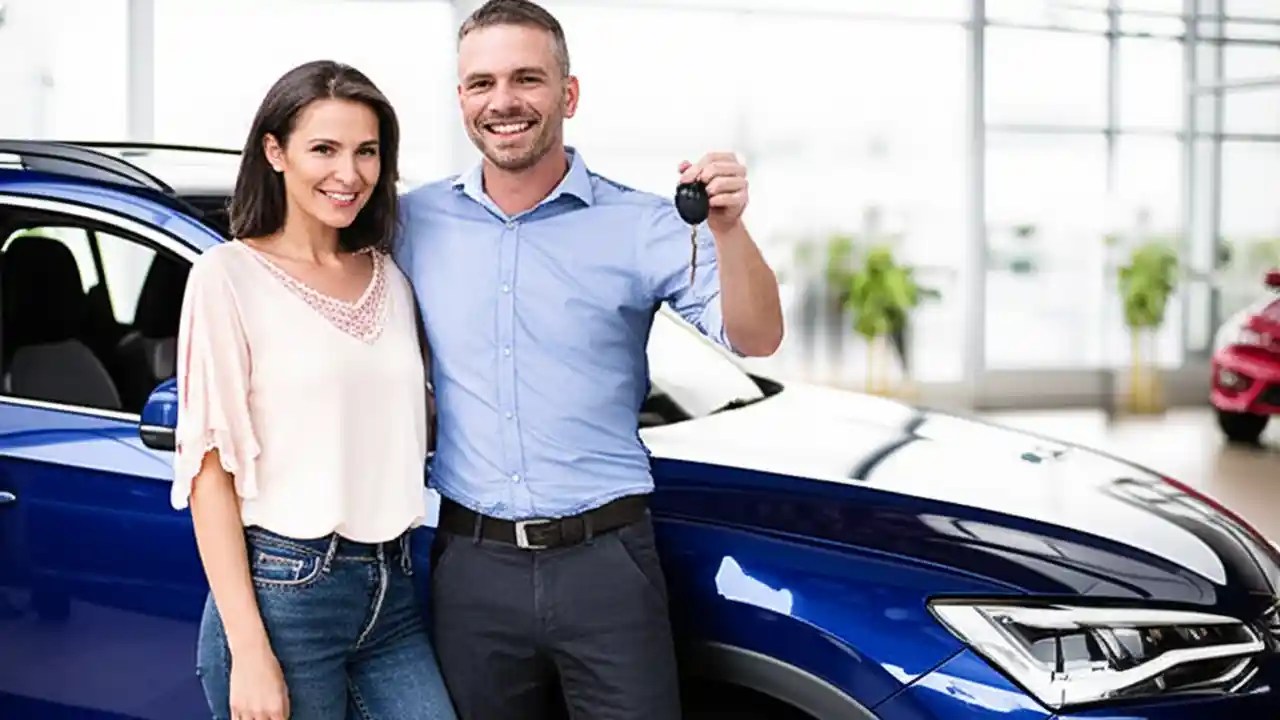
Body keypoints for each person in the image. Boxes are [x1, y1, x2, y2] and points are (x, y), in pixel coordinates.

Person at [394, 1, 784, 718]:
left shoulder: (642, 224)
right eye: (481, 83)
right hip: (471, 566)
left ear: (568, 94)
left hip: (607, 566)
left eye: (527, 79)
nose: (503, 101)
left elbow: (756, 338)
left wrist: (730, 231)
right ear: (461, 99)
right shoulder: (413, 223)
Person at [172, 60, 456, 720]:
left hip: (393, 587)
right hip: (285, 591)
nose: (349, 174)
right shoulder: (227, 277)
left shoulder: (391, 275)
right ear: (275, 152)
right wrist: (249, 651)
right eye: (324, 149)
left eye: (366, 152)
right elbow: (209, 474)